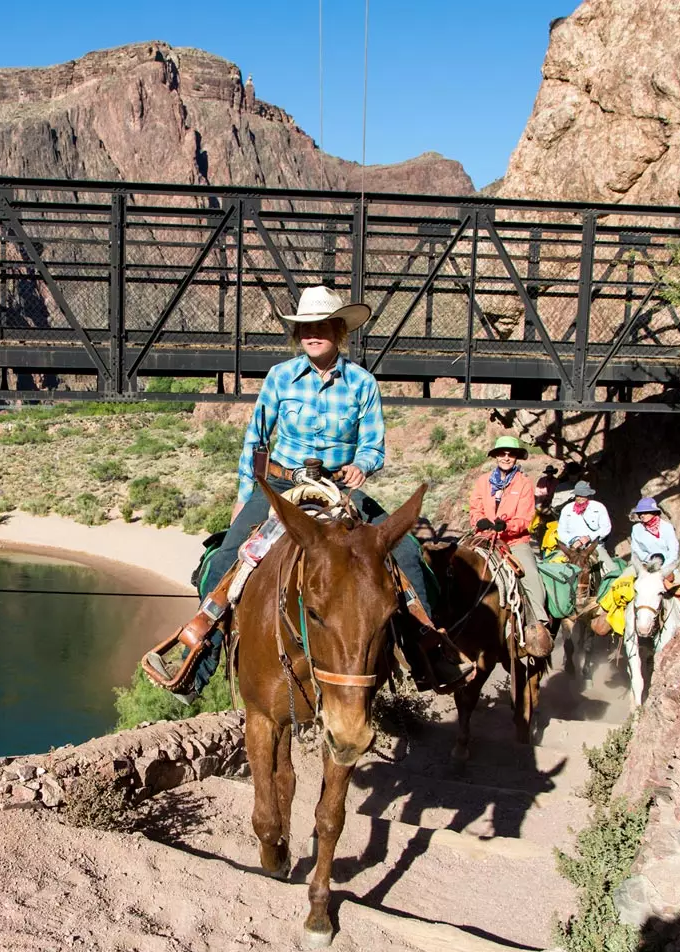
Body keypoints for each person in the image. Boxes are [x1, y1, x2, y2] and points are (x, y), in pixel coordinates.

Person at [145, 285, 456, 699]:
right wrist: (244, 495)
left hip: (339, 486)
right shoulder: (280, 377)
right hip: (281, 483)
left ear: (339, 330)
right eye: (306, 327)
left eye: (322, 325)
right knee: (225, 558)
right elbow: (256, 439)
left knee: (408, 555)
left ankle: (424, 653)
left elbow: (373, 445)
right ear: (298, 333)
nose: (313, 333)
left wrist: (362, 465)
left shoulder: (362, 383)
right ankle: (201, 658)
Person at [468, 435, 553, 656]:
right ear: (496, 455)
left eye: (511, 453)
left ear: (516, 457)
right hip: (484, 538)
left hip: (514, 541)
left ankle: (536, 624)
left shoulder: (524, 483)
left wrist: (506, 526)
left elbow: (526, 517)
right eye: (503, 453)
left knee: (531, 574)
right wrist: (480, 522)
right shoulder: (482, 481)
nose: (506, 457)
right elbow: (475, 509)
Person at [556, 481, 611, 553]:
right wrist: (572, 541)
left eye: (583, 495)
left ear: (589, 495)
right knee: (552, 562)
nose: (580, 498)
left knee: (609, 564)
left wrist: (589, 537)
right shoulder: (567, 509)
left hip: (594, 547)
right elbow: (561, 531)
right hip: (572, 548)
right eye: (578, 495)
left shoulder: (599, 507)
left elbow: (606, 527)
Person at [628, 497, 680, 573]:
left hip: (667, 567)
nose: (642, 515)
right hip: (645, 566)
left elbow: (673, 551)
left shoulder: (667, 527)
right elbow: (636, 550)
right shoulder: (636, 529)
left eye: (645, 512)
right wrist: (649, 558)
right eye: (640, 513)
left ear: (654, 512)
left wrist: (662, 567)